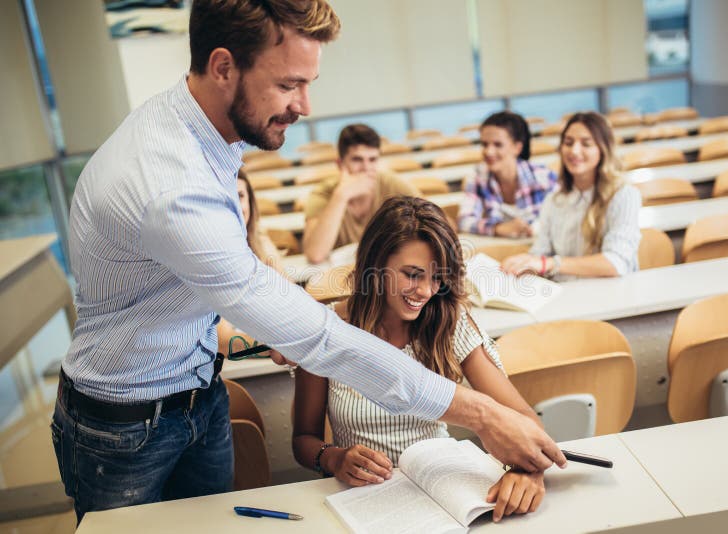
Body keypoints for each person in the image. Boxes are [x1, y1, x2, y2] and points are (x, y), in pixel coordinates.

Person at [53, 0, 564, 523]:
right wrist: (482, 415)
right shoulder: (171, 183)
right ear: (223, 67)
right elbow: (320, 340)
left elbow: (207, 279)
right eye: (289, 84)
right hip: (125, 425)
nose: (305, 106)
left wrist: (271, 319)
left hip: (199, 393)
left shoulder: (202, 132)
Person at [293, 196, 547, 522]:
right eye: (412, 275)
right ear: (376, 265)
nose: (426, 291)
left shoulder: (449, 322)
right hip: (366, 500)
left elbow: (523, 418)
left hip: (442, 492)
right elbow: (304, 440)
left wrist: (527, 471)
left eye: (437, 277)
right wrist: (334, 458)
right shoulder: (326, 330)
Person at [501, 112, 641, 281]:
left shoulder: (624, 195)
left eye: (586, 144)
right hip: (566, 293)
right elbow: (540, 254)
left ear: (603, 150)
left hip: (612, 294)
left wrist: (551, 263)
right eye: (568, 143)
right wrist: (522, 264)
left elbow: (616, 263)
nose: (574, 151)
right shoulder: (553, 201)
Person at [302, 123, 420, 263]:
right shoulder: (322, 194)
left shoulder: (392, 184)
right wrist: (341, 196)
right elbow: (315, 255)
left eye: (372, 159)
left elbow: (432, 223)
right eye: (357, 160)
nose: (366, 168)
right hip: (341, 273)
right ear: (340, 164)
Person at [217, 170, 286, 355]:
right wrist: (285, 345)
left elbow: (290, 301)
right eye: (225, 197)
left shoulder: (261, 242)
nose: (235, 205)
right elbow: (224, 342)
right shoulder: (201, 260)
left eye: (240, 196)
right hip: (237, 364)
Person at [458, 111, 557, 238]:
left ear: (517, 148)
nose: (489, 152)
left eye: (498, 145)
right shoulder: (478, 178)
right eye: (485, 144)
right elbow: (464, 221)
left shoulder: (544, 177)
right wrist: (497, 228)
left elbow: (565, 217)